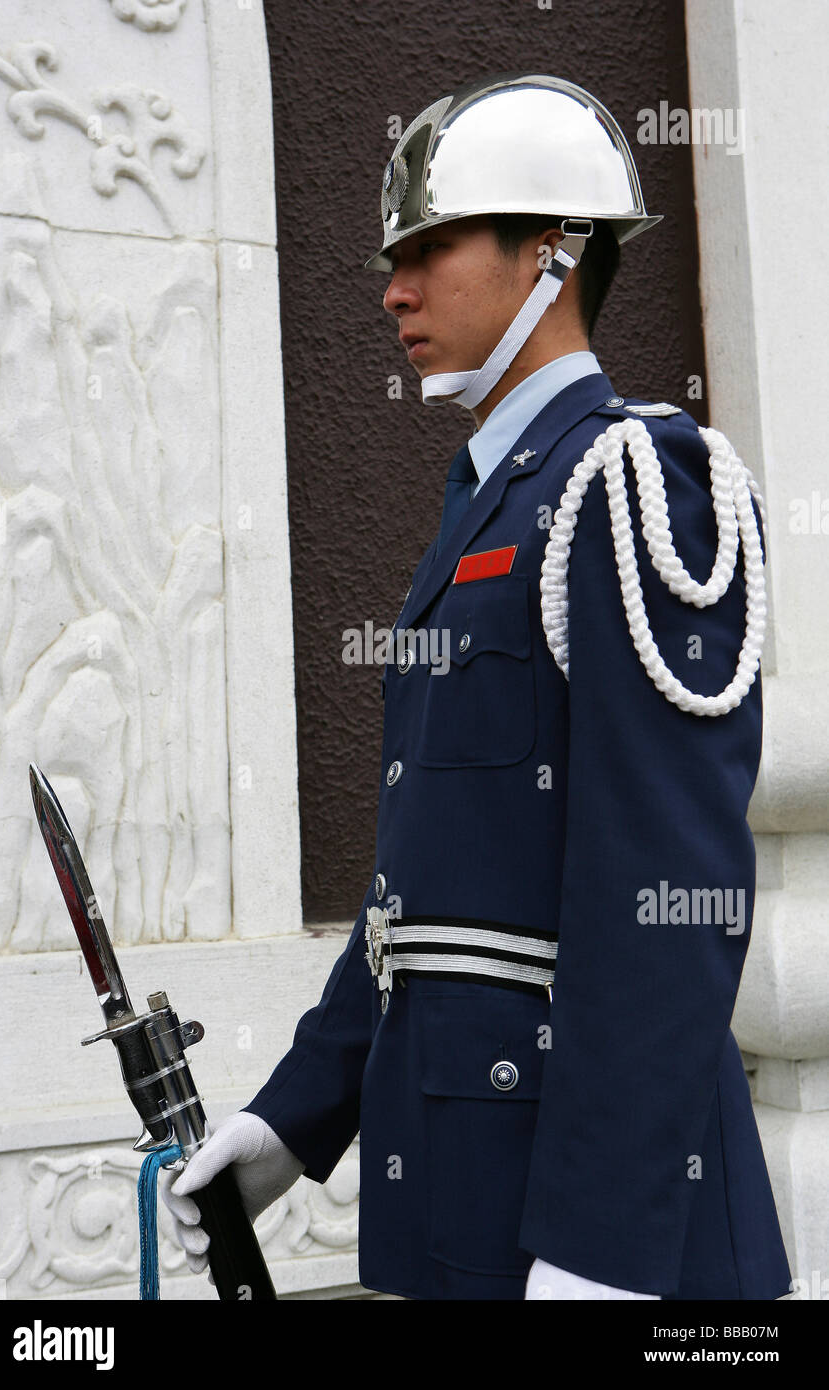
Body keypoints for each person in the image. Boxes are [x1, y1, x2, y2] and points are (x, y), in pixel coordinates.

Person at [164, 74, 792, 1301]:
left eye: (430, 246)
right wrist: (289, 1124)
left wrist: (602, 1256)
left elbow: (666, 903)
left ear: (548, 257)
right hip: (461, 1195)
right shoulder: (486, 506)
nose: (393, 287)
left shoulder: (634, 487)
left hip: (601, 1229)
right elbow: (425, 888)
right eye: (392, 256)